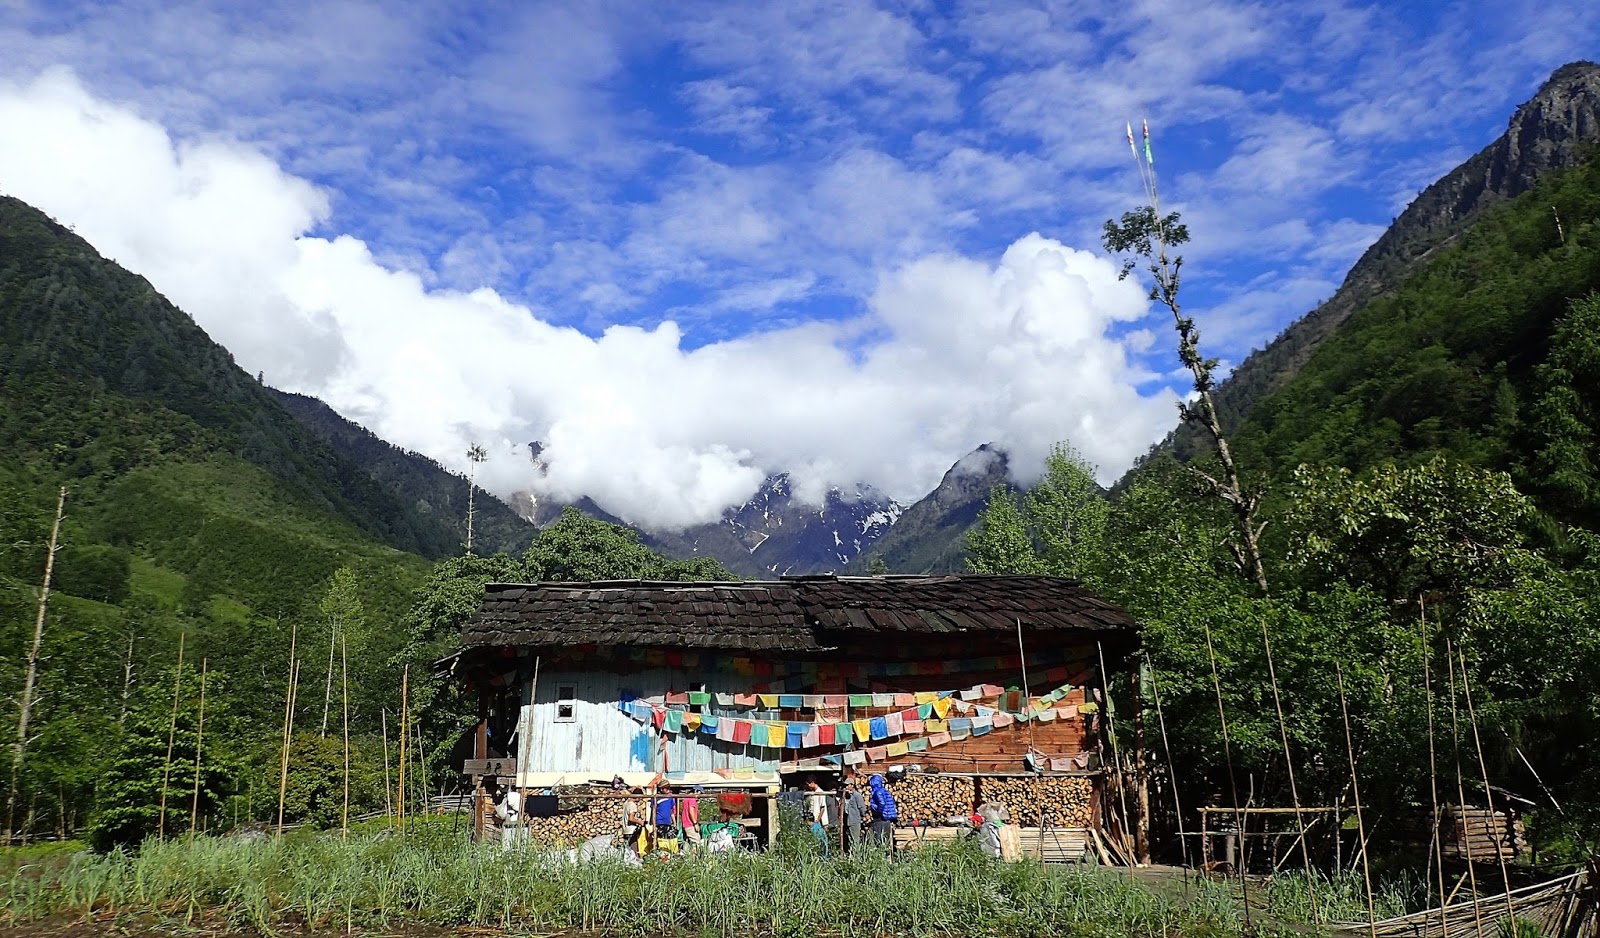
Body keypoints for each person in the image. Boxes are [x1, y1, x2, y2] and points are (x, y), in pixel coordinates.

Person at [866, 774, 898, 853]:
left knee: (880, 839)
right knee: (885, 840)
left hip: (880, 819)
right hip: (887, 818)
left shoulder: (877, 792)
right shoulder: (885, 791)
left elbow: (882, 803)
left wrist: (876, 809)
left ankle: (882, 857)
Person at [804, 779, 831, 857]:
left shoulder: (820, 792)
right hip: (814, 820)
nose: (808, 786)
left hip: (818, 821)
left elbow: (822, 808)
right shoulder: (813, 793)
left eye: (809, 784)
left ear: (812, 783)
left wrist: (817, 820)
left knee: (821, 840)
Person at [841, 780, 867, 853]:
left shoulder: (857, 796)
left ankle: (856, 857)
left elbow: (862, 808)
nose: (846, 787)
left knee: (855, 840)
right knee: (850, 840)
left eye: (847, 785)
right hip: (848, 821)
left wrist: (861, 817)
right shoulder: (847, 796)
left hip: (854, 821)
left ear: (852, 785)